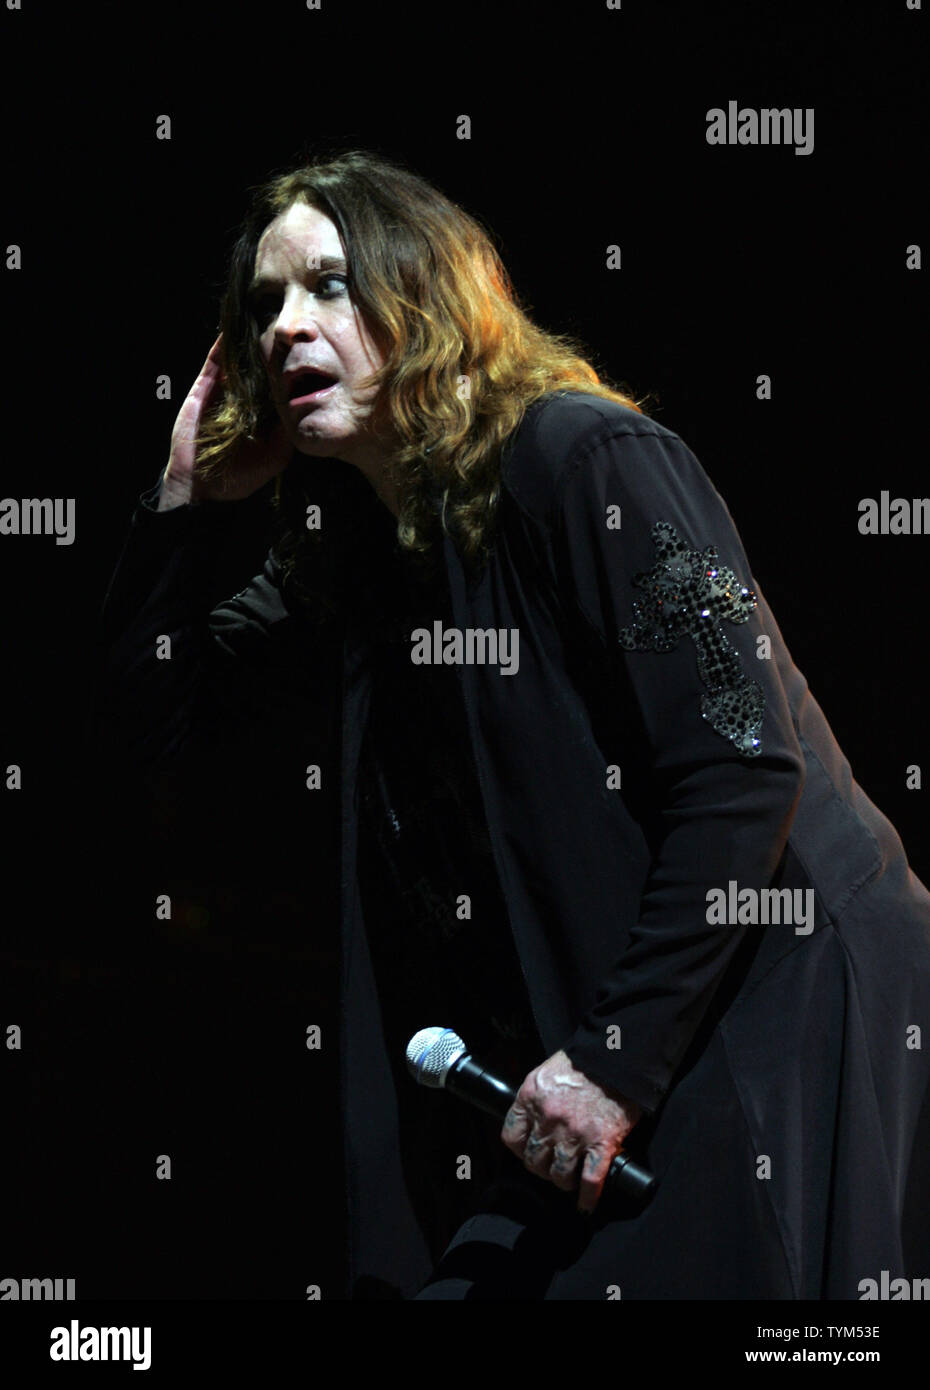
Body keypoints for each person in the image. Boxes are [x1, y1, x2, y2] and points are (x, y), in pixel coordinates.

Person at [94, 149, 930, 1301]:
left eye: (329, 284)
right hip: (589, 1050)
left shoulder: (589, 457)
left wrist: (613, 1062)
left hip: (757, 1006)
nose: (286, 326)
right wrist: (184, 507)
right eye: (264, 303)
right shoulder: (356, 555)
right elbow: (153, 716)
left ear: (424, 294)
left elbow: (743, 761)